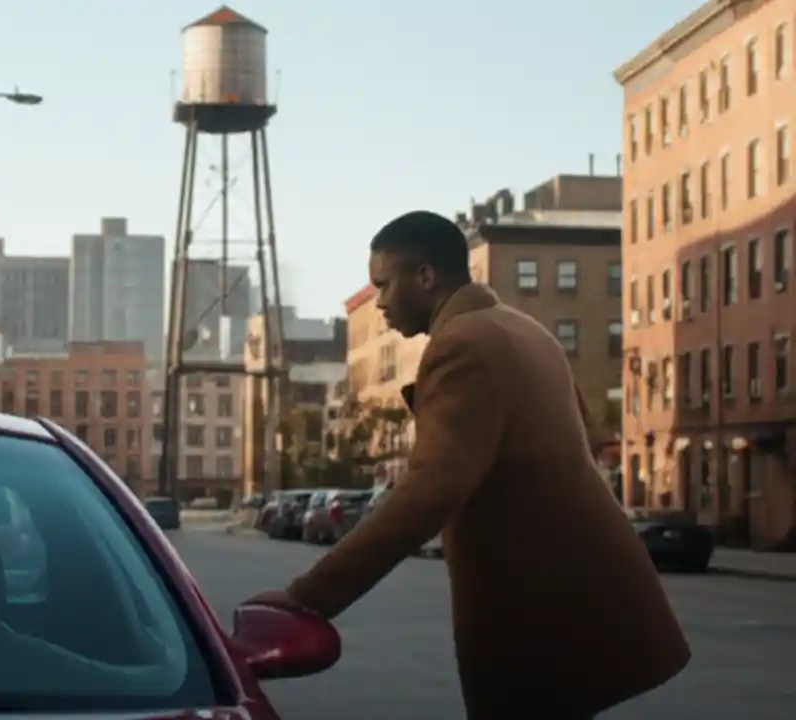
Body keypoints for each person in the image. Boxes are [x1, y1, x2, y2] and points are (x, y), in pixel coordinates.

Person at [249, 211, 690, 719]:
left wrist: (308, 597)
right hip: (581, 596)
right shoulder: (525, 329)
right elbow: (586, 443)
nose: (382, 303)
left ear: (426, 276)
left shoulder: (463, 344)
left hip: (539, 609)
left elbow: (431, 490)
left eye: (385, 285)